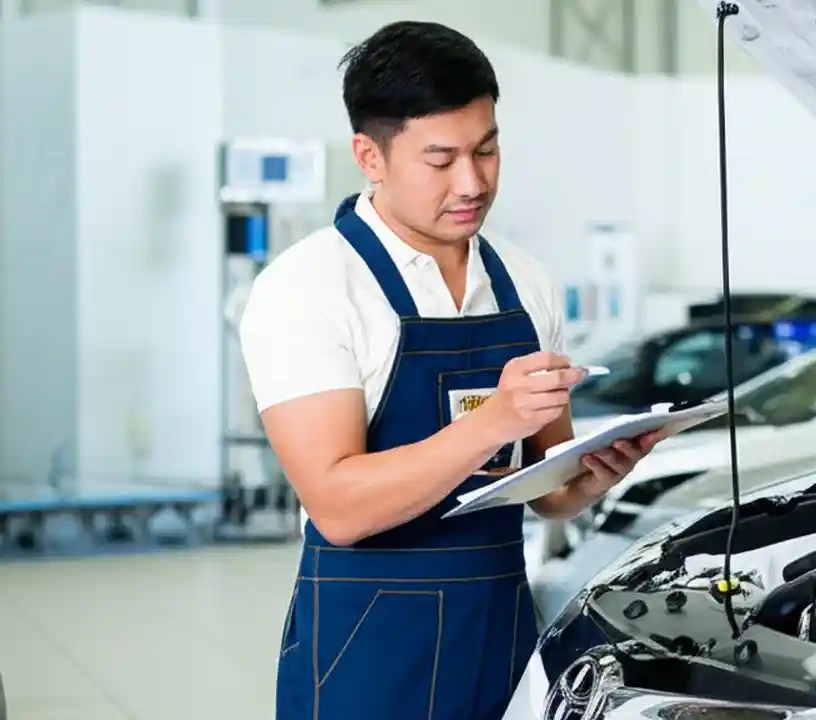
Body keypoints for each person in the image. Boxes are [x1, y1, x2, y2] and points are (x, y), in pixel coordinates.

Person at [237, 21, 658, 720]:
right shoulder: (310, 287)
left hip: (500, 625)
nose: (472, 182)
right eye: (441, 160)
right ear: (369, 155)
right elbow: (338, 506)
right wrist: (493, 420)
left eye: (487, 151)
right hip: (369, 642)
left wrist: (592, 471)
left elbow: (545, 489)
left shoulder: (526, 283)